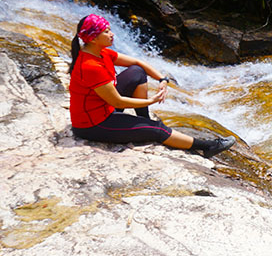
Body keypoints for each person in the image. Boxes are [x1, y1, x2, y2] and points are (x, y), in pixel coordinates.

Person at [68, 13, 235, 158]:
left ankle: (143, 121)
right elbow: (118, 102)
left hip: (104, 108)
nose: (112, 34)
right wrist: (151, 101)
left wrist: (162, 79)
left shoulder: (100, 52)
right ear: (94, 38)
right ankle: (208, 147)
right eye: (106, 32)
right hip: (94, 125)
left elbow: (137, 62)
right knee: (158, 129)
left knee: (137, 72)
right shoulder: (90, 66)